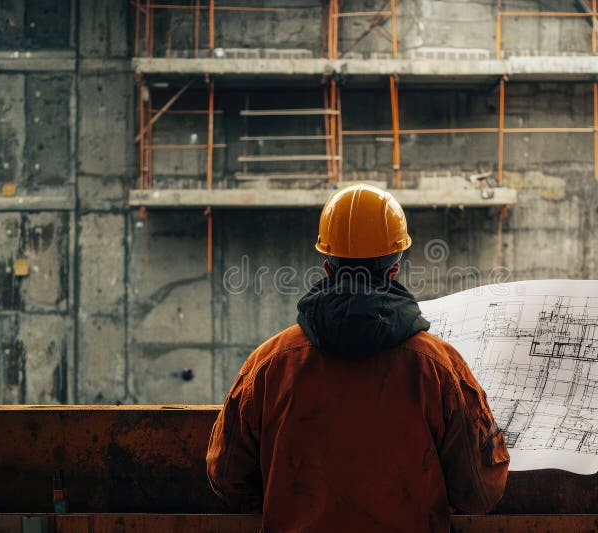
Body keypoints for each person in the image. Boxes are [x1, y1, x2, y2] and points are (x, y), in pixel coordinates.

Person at [206, 184, 508, 532]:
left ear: (327, 267)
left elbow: (227, 478)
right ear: (393, 270)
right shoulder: (440, 367)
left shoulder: (269, 364)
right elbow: (480, 493)